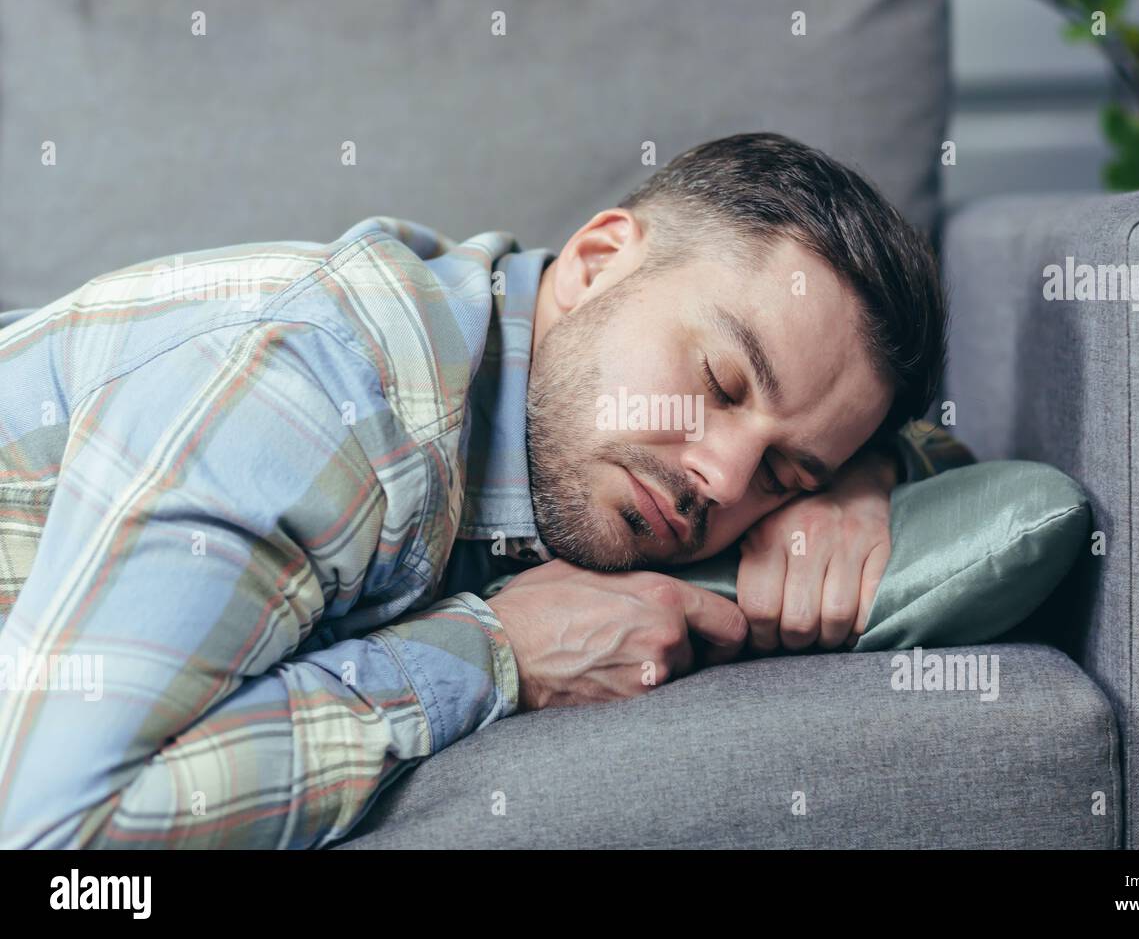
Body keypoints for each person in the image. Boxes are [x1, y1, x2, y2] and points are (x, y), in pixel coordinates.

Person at [0, 133, 966, 847]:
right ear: (597, 263)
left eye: (783, 471)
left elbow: (960, 459)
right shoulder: (318, 404)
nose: (722, 478)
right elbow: (58, 841)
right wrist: (490, 651)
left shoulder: (585, 409)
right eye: (717, 383)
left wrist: (863, 483)